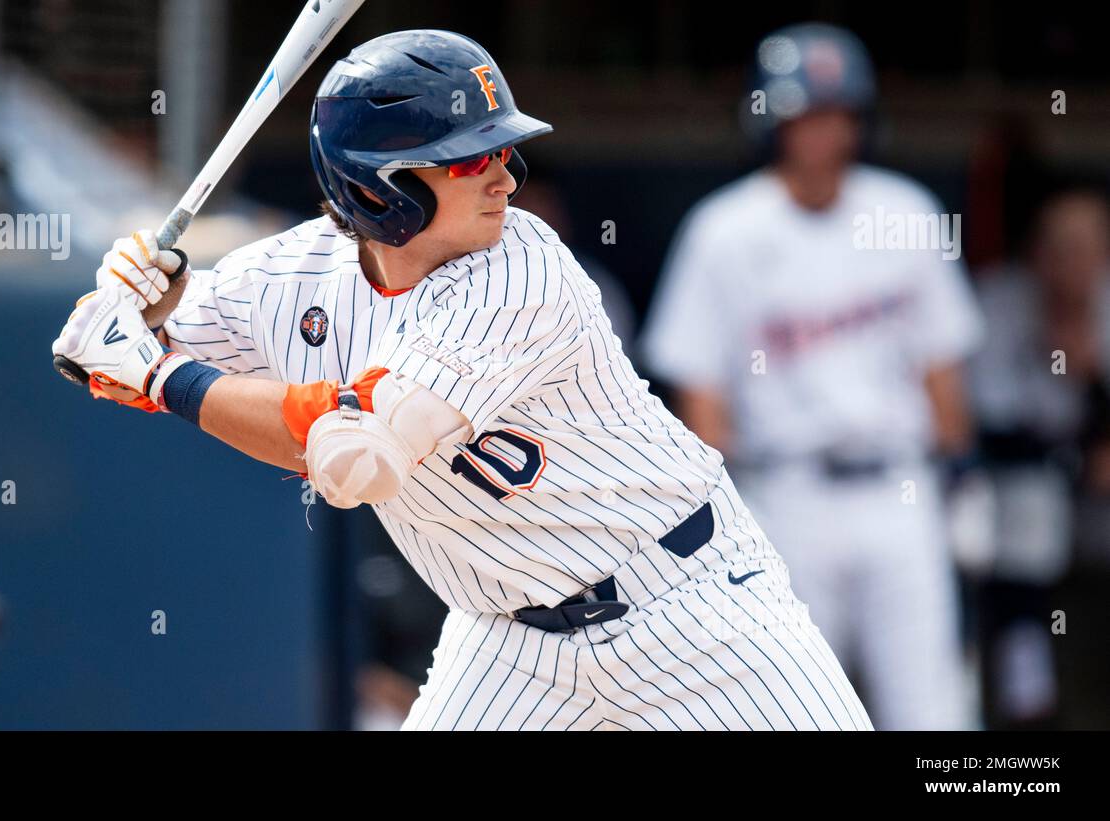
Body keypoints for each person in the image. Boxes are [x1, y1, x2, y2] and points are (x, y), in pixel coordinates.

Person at [52, 29, 869, 730]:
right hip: (508, 641)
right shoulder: (282, 278)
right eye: (469, 158)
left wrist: (162, 371)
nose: (505, 177)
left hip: (689, 605)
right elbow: (106, 362)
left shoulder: (522, 267)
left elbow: (355, 458)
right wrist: (139, 315)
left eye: (503, 150)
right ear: (385, 189)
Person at [640, 23, 981, 729]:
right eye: (808, 117)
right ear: (772, 124)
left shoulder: (904, 210)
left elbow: (941, 363)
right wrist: (728, 518)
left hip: (899, 486)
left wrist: (962, 474)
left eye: (839, 116)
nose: (825, 134)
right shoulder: (724, 229)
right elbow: (701, 389)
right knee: (790, 707)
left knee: (934, 709)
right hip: (786, 492)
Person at [969, 181, 1110, 726]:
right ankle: (1029, 699)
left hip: (1095, 489)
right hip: (1024, 480)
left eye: (1088, 245)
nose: (1073, 259)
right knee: (1028, 511)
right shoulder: (1000, 299)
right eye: (1060, 245)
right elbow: (990, 421)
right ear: (1036, 250)